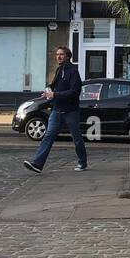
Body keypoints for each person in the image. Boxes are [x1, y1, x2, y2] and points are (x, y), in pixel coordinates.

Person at [23, 46, 87, 174]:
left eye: (61, 54)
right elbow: (54, 85)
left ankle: (82, 161)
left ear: (68, 56)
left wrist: (55, 95)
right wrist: (48, 91)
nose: (58, 56)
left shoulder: (73, 71)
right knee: (48, 136)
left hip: (70, 111)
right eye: (57, 54)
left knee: (76, 138)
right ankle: (38, 164)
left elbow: (75, 91)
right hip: (57, 110)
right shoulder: (59, 69)